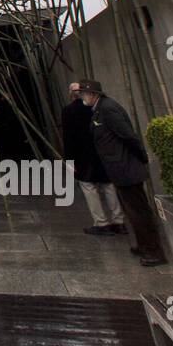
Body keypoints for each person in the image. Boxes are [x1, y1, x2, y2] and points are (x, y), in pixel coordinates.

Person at [76, 79, 168, 267]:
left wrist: (141, 157)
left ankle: (153, 251)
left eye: (83, 94)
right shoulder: (100, 109)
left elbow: (128, 136)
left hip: (126, 168)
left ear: (92, 94)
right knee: (132, 210)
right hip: (118, 168)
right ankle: (144, 245)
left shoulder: (108, 109)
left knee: (138, 211)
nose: (82, 98)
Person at [61, 81, 125, 236]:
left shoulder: (69, 110)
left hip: (82, 155)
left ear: (71, 94)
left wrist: (69, 160)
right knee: (109, 186)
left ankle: (101, 223)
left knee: (90, 188)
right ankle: (119, 221)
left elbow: (68, 137)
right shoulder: (96, 107)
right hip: (102, 153)